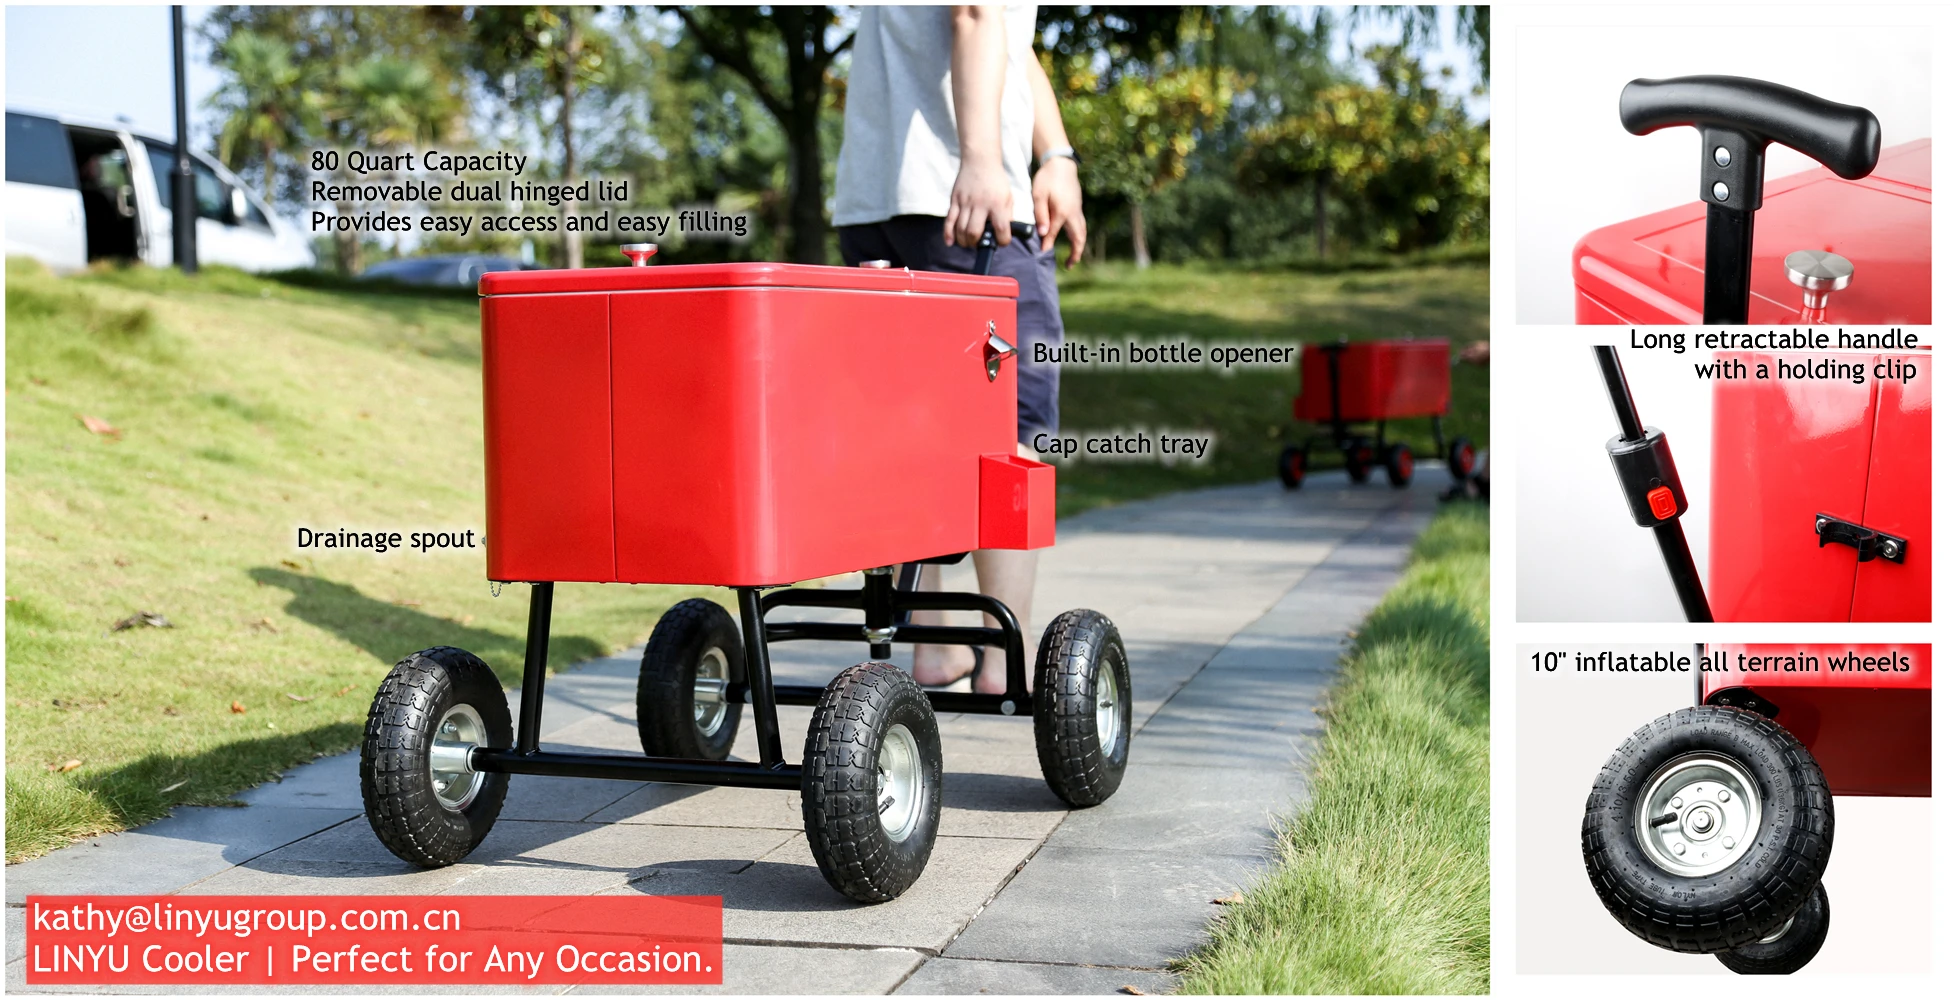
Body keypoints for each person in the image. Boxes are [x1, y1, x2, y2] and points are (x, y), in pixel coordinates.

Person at [833, 4, 1086, 695]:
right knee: (1014, 428)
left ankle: (938, 643)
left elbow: (1008, 31)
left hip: (874, 205)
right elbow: (975, 12)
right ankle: (1001, 662)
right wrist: (980, 158)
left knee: (908, 425)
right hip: (963, 205)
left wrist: (1055, 154)